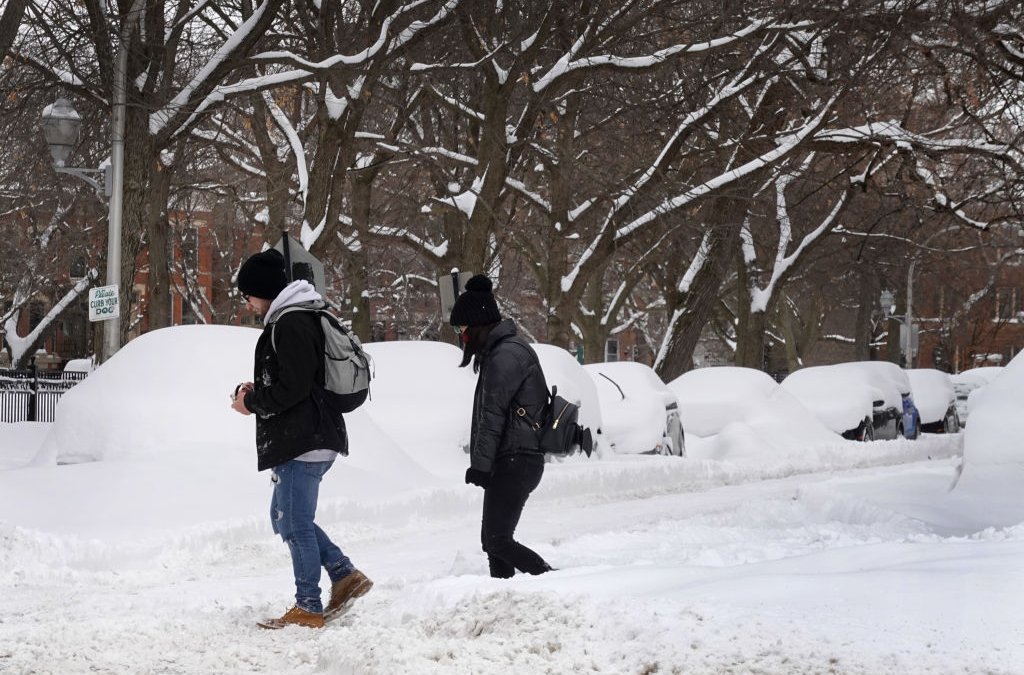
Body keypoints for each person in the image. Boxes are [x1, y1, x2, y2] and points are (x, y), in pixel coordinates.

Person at [230, 248, 372, 629]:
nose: (247, 302)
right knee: (285, 519)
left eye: (248, 294)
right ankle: (344, 574)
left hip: (305, 438)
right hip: (309, 434)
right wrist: (256, 389)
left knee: (293, 520)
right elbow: (297, 379)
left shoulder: (290, 322)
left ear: (263, 290)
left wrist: (252, 403)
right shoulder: (295, 317)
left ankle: (308, 606)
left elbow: (292, 388)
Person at [449, 274, 554, 578]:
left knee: (496, 539)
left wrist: (480, 466)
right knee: (494, 542)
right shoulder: (502, 352)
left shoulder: (505, 356)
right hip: (512, 458)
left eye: (462, 328)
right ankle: (506, 593)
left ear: (478, 324)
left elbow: (492, 416)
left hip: (516, 459)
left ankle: (552, 580)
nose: (461, 335)